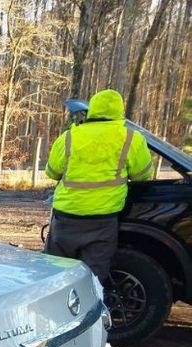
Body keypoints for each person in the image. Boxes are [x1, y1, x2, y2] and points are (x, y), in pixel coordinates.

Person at [44, 89, 153, 284]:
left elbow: (52, 172)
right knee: (93, 279)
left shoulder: (69, 137)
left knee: (55, 276)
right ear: (120, 112)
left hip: (65, 218)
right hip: (102, 221)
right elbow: (142, 175)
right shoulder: (131, 138)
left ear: (92, 109)